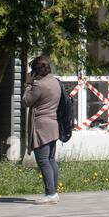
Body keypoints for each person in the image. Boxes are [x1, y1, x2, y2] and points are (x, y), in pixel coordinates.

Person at [22, 55, 63, 204]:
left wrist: (28, 84)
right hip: (53, 124)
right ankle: (54, 192)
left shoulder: (39, 86)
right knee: (51, 159)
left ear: (36, 71)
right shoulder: (54, 82)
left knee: (43, 160)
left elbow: (26, 101)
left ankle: (50, 193)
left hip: (41, 126)